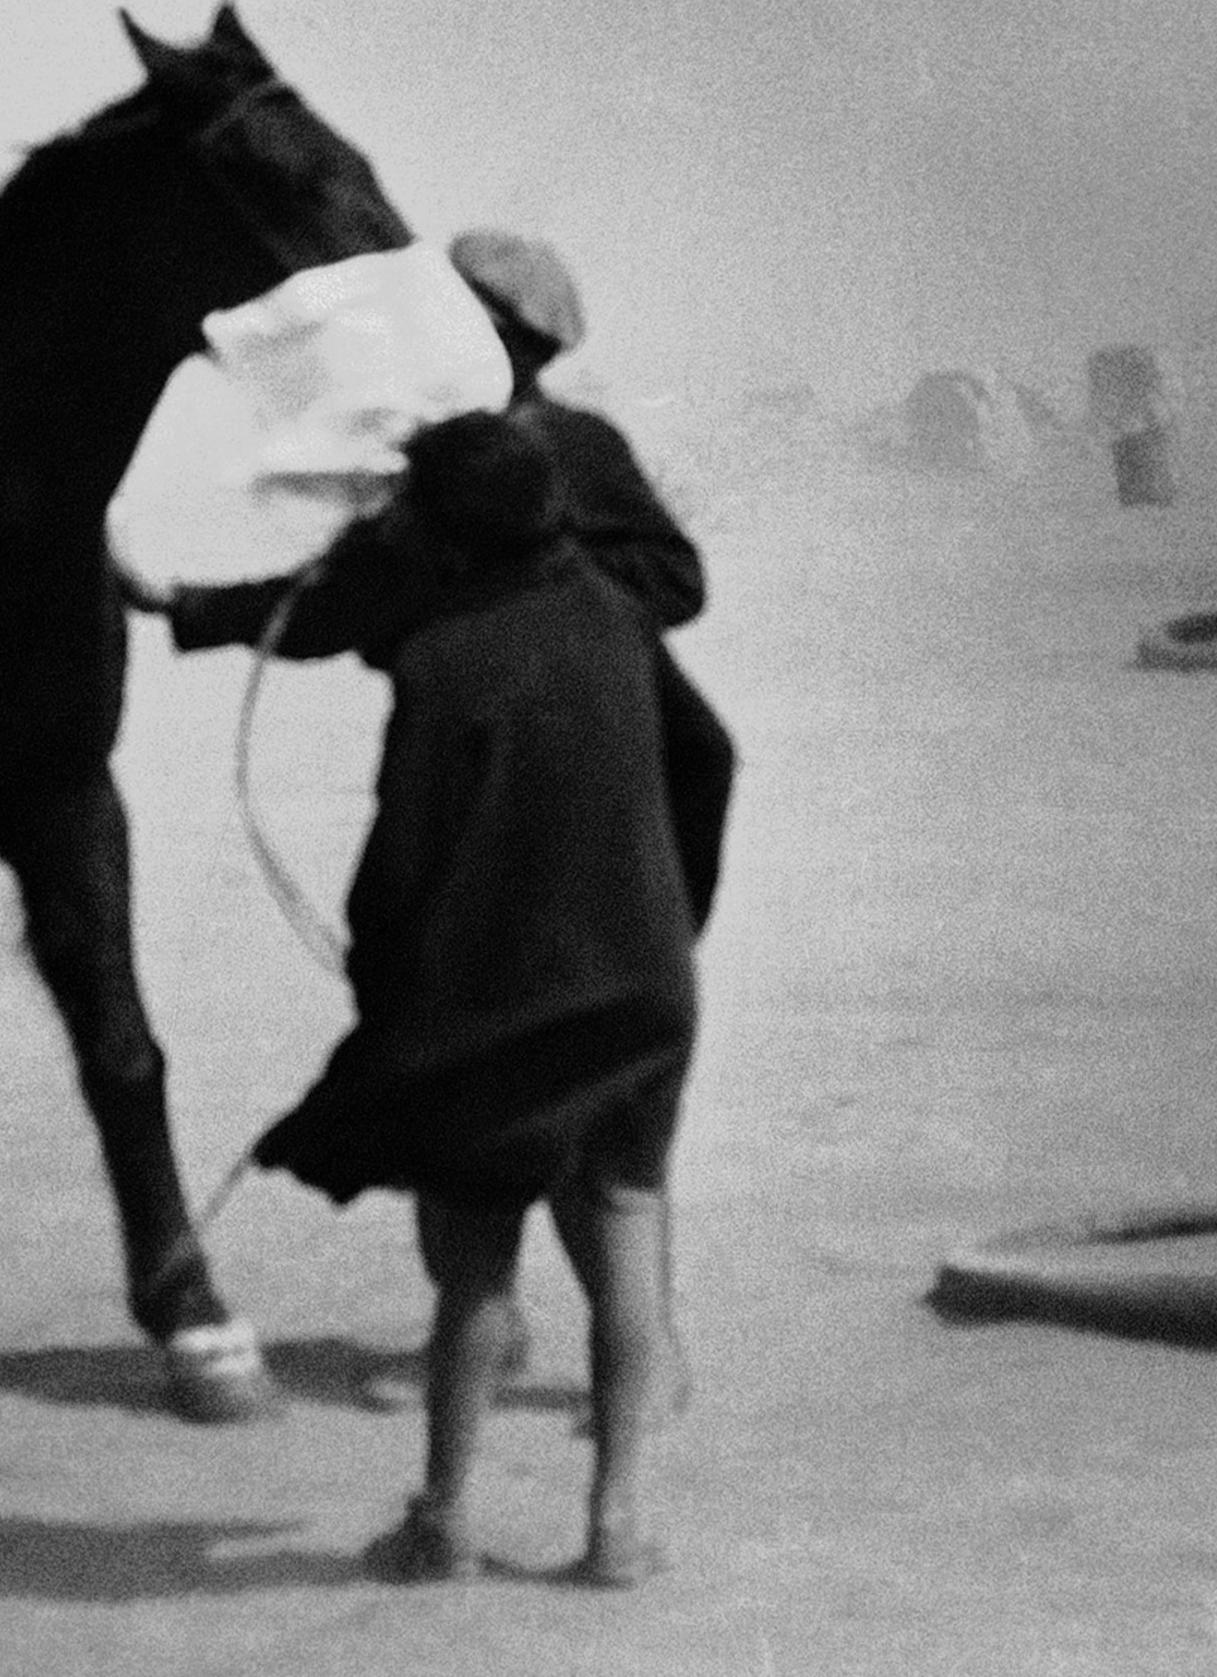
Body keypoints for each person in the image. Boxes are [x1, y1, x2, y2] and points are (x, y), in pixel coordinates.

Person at [247, 408, 698, 1584]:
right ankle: (615, 1524)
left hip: (503, 1006)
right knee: (625, 1230)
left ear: (444, 535)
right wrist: (663, 929)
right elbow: (703, 769)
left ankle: (443, 1520)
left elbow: (399, 870)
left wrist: (388, 998)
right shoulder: (622, 616)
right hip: (644, 987)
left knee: (477, 1270)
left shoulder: (442, 663)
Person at [153, 228, 735, 929]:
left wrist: (543, 579)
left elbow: (675, 578)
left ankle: (663, 943)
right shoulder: (415, 452)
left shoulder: (567, 442)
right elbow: (336, 603)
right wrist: (193, 606)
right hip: (485, 696)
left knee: (697, 756)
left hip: (583, 683)